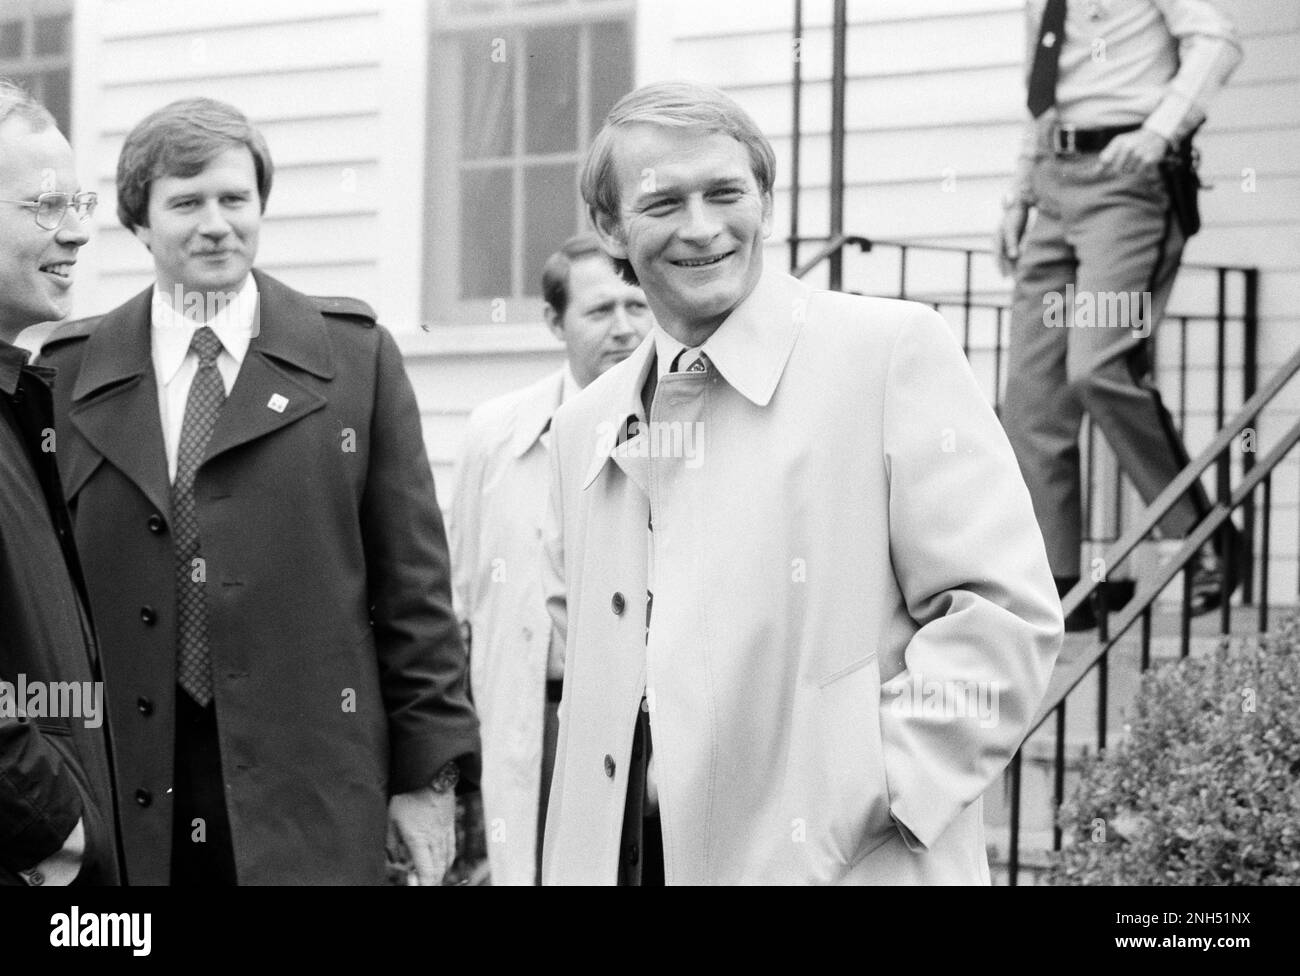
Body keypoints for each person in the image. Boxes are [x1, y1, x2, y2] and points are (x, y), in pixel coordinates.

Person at [539, 81, 1063, 885]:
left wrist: (852, 800)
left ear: (767, 202)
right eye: (663, 203)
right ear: (610, 226)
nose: (703, 227)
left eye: (725, 192)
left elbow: (1005, 622)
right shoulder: (587, 424)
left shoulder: (888, 352)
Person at [39, 98, 479, 885]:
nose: (215, 224)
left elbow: (415, 596)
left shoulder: (354, 361)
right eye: (186, 202)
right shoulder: (67, 376)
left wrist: (428, 779)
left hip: (308, 793)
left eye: (234, 199)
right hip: (123, 789)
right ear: (140, 224)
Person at [995, 0, 1243, 628]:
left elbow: (1217, 40)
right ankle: (1057, 590)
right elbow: (1043, 92)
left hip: (1124, 187)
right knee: (1032, 400)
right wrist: (1019, 192)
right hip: (1054, 185)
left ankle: (1204, 537)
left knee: (1099, 366)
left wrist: (1161, 130)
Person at [450, 232, 652, 885]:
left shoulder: (685, 432)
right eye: (599, 311)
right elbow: (462, 589)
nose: (623, 328)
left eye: (637, 305)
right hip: (535, 715)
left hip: (647, 724)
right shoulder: (498, 433)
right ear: (554, 322)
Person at [0, 79, 120, 886]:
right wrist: (56, 829)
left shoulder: (25, 395)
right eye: (45, 206)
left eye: (79, 201)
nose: (78, 230)